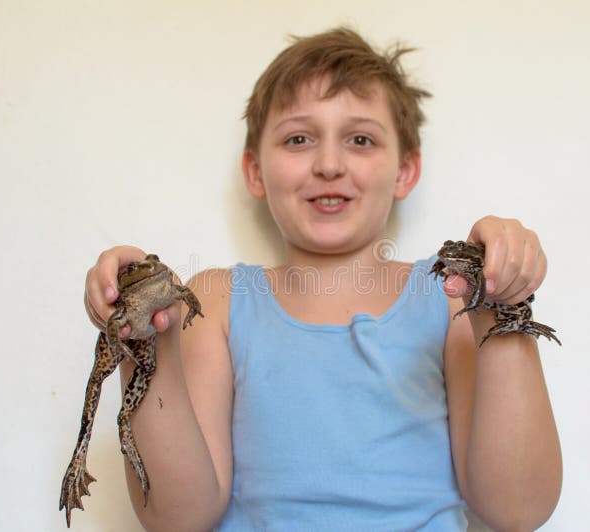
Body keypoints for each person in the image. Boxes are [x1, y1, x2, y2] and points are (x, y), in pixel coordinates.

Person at [84, 27, 562, 531]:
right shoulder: (215, 302)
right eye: (298, 139)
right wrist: (144, 339)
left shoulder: (451, 298)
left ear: (405, 170)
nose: (329, 164)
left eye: (360, 139)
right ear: (254, 171)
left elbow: (519, 509)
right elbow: (178, 518)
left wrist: (502, 303)